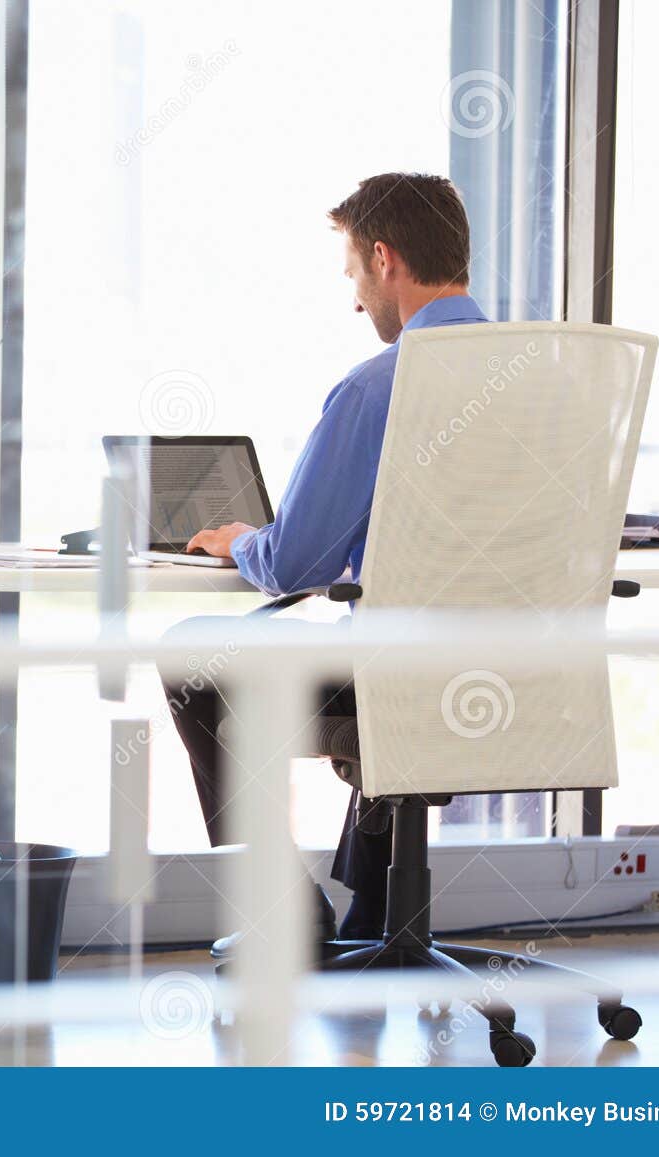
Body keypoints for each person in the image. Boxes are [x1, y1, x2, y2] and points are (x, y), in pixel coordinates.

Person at [163, 172, 487, 945]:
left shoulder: (378, 390)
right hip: (525, 677)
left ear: (384, 259)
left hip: (403, 683)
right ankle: (374, 915)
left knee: (191, 659)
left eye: (352, 276)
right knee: (382, 652)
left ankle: (286, 916)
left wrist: (241, 539)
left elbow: (295, 563)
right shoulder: (548, 380)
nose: (356, 302)